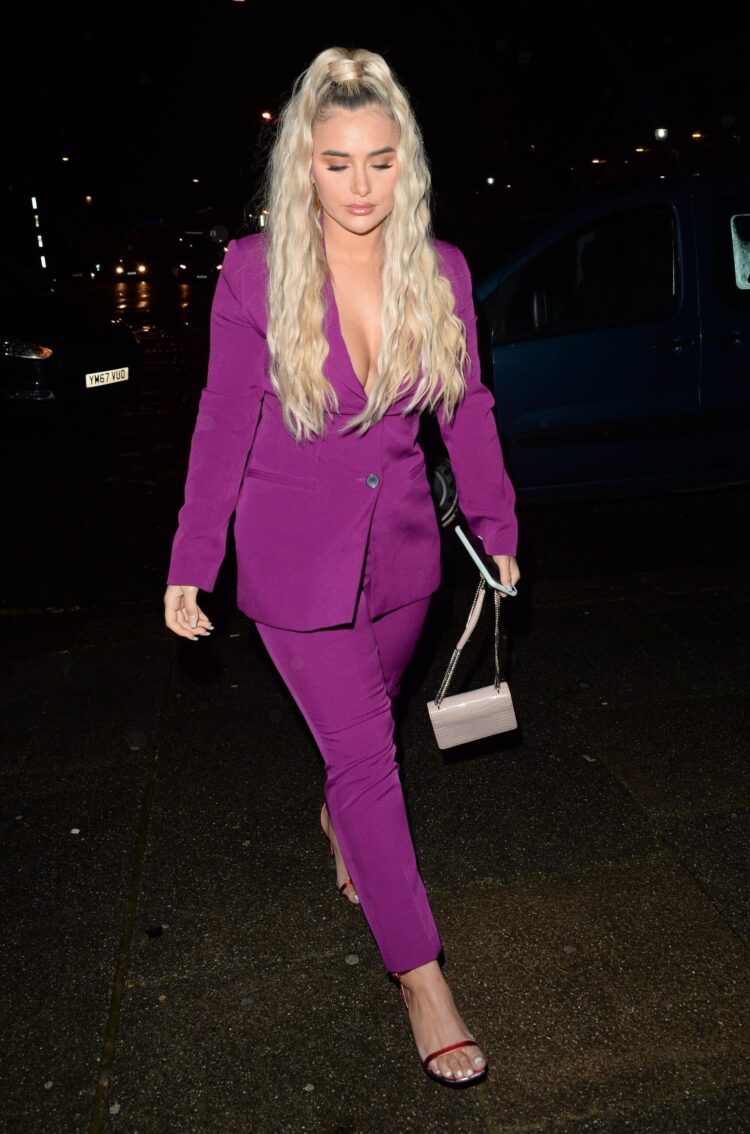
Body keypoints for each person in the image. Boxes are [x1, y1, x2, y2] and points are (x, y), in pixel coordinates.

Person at [163, 45, 520, 1088]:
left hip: (406, 555)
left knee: (369, 728)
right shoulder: (255, 271)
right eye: (336, 162)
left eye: (379, 161)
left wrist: (496, 522)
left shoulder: (440, 270)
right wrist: (193, 555)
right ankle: (422, 978)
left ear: (407, 162)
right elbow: (224, 417)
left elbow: (467, 408)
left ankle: (340, 823)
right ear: (303, 165)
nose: (360, 187)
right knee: (368, 760)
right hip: (292, 568)